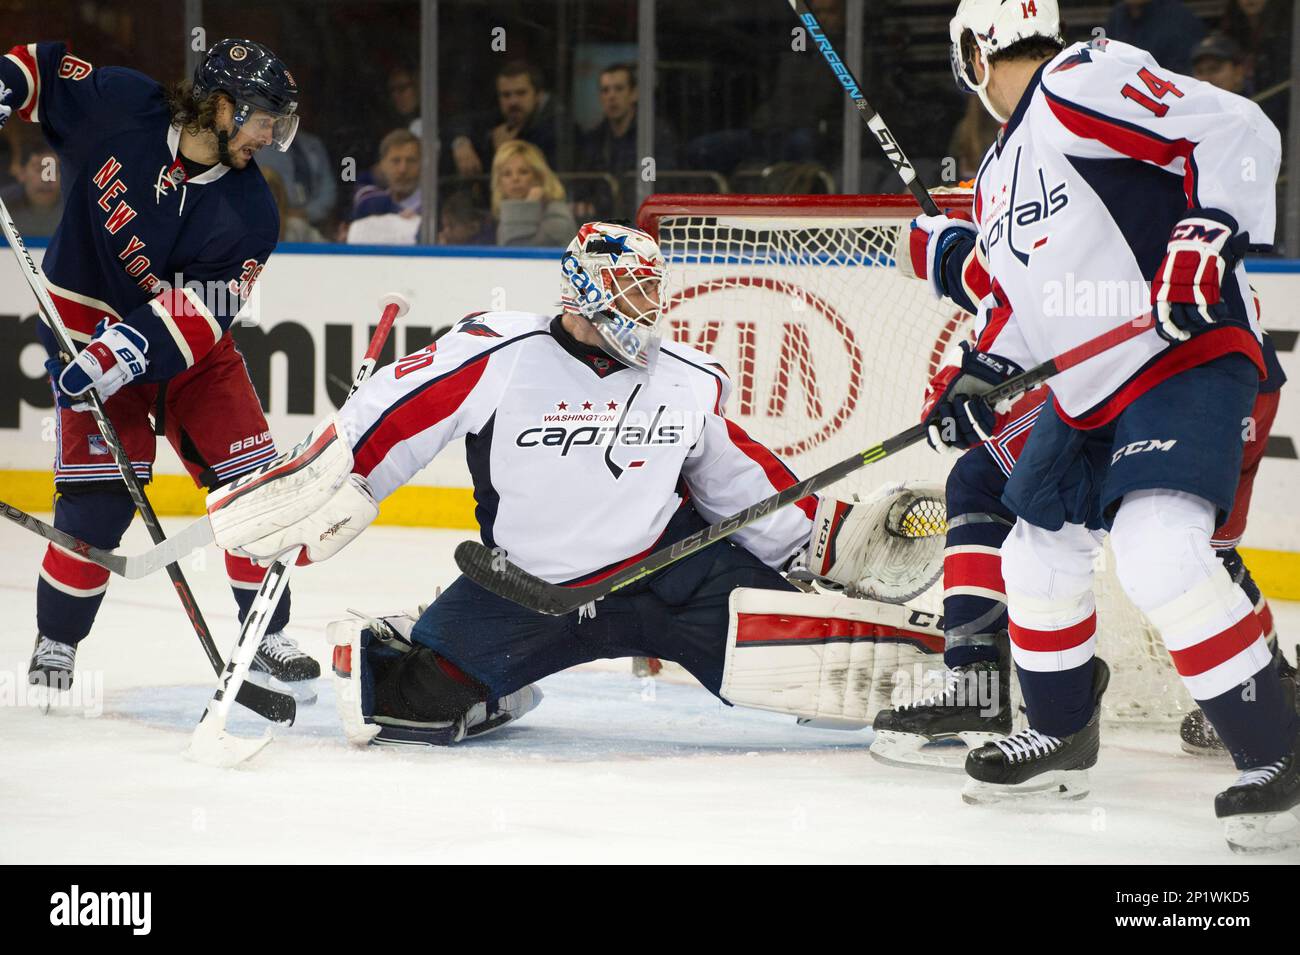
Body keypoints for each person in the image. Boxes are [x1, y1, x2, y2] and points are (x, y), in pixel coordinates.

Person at [202, 222, 927, 747]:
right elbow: (396, 414)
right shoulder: (501, 353)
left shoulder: (684, 376)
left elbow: (741, 479)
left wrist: (824, 540)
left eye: (650, 303)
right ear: (578, 301)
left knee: (827, 659)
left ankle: (969, 678)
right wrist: (332, 481)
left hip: (675, 571)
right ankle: (430, 636)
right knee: (401, 702)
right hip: (531, 591)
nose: (642, 324)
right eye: (626, 306)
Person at [904, 0, 1296, 851]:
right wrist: (982, 373)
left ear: (975, 47)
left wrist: (1206, 234)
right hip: (1089, 393)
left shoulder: (1082, 78)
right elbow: (1021, 307)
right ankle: (1062, 734)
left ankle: (1278, 752)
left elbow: (1235, 128)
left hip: (1176, 360)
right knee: (1033, 554)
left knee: (1160, 551)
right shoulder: (1002, 169)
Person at [877, 201, 1292, 769]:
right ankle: (1006, 690)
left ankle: (1270, 693)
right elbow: (1008, 293)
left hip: (1197, 375)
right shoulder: (1079, 193)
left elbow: (1001, 282)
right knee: (994, 491)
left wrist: (941, 250)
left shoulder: (1074, 208)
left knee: (1189, 550)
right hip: (1133, 377)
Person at [0, 38, 319, 693]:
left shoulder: (252, 210)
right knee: (96, 506)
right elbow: (40, 67)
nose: (270, 135)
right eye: (264, 118)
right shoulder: (120, 104)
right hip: (82, 327)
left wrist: (121, 354)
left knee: (254, 490)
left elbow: (202, 316)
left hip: (189, 358)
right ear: (221, 104)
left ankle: (267, 632)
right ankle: (56, 642)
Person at [576, 63, 677, 218]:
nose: (611, 96)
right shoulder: (594, 138)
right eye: (605, 90)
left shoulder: (655, 134)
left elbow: (663, 184)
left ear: (634, 94)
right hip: (604, 223)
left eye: (619, 89)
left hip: (647, 221)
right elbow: (583, 186)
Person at [449, 60, 572, 176]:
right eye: (506, 95)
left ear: (538, 95)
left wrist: (507, 152)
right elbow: (459, 123)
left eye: (521, 93)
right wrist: (461, 143)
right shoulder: (497, 120)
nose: (513, 102)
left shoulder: (558, 130)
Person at [490, 140, 576, 247]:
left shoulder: (557, 216)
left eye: (523, 172)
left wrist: (528, 206)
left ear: (538, 177)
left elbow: (519, 252)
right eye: (507, 174)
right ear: (499, 183)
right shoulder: (504, 216)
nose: (515, 179)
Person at [346, 128, 420, 245]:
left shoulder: (433, 209)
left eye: (411, 161)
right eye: (396, 161)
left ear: (423, 164)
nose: (403, 169)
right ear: (382, 165)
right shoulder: (369, 206)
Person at [1103, 0, 1205, 75]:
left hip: (1164, 94)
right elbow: (1103, 61)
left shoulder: (1180, 18)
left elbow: (1182, 77)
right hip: (1123, 91)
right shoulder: (1118, 14)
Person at [1, 124, 62, 235]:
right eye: (39, 169)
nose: (47, 179)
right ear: (22, 173)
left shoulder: (76, 208)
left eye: (54, 170)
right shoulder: (3, 205)